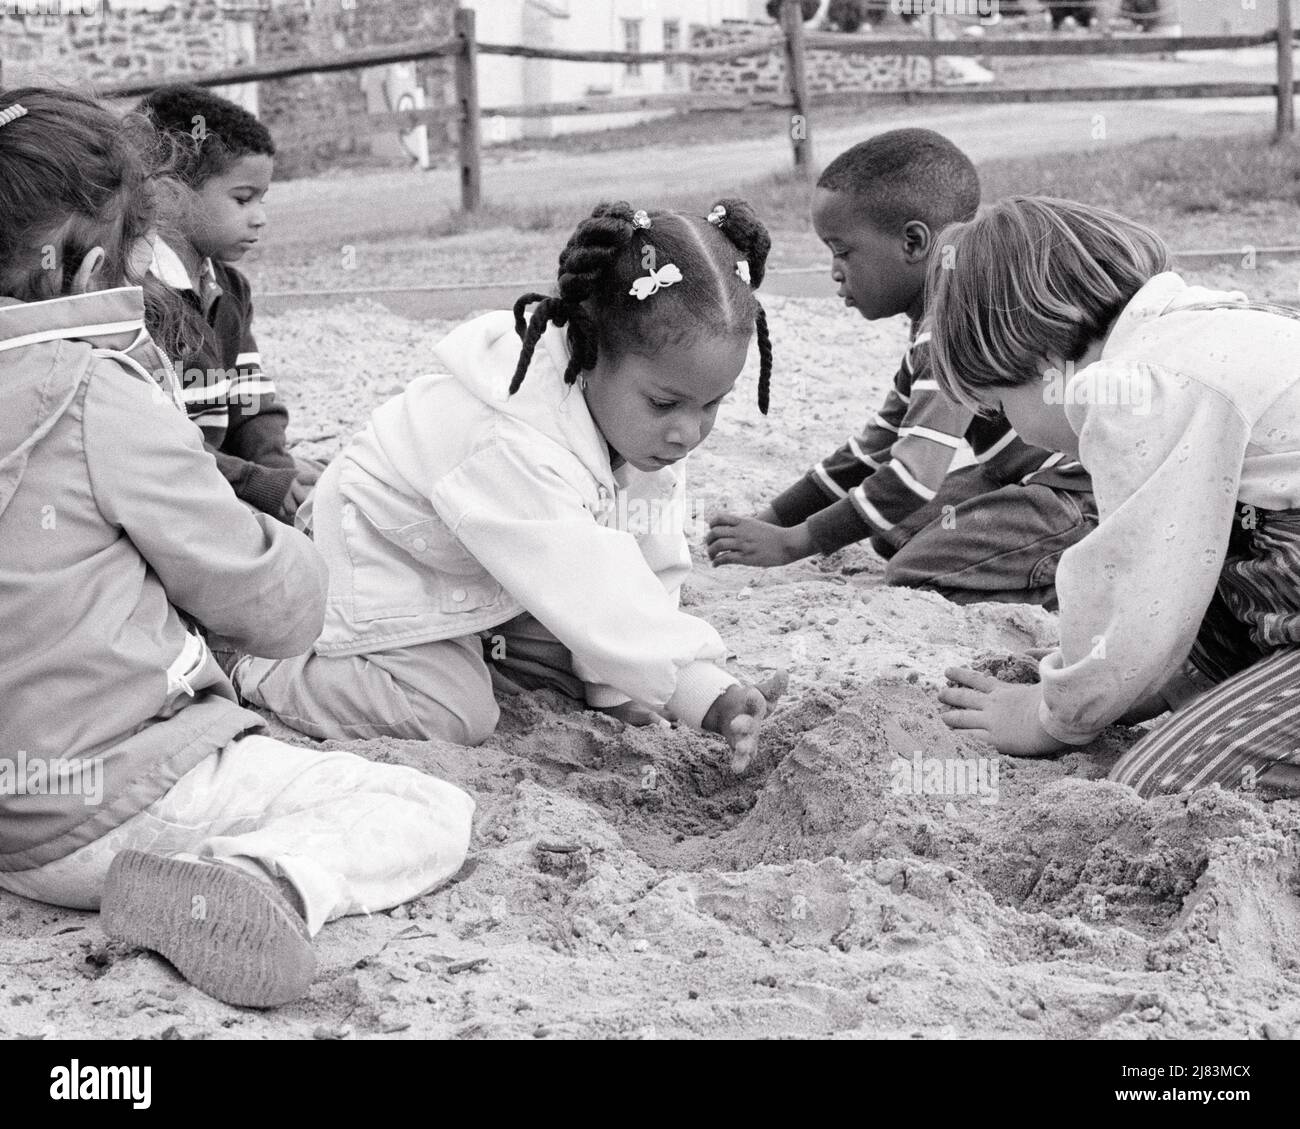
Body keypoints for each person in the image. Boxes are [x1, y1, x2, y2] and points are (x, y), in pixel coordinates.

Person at [0, 88, 473, 1008]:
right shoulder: (96, 393)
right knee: (422, 808)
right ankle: (258, 879)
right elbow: (272, 605)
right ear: (92, 263)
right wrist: (290, 549)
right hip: (113, 804)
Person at [233, 200, 774, 770]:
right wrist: (708, 697)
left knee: (572, 673)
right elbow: (588, 587)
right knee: (455, 713)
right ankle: (261, 664)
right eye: (666, 403)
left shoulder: (643, 421)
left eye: (712, 404)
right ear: (589, 350)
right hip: (378, 557)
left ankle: (488, 649)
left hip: (482, 560)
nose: (689, 431)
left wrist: (621, 694)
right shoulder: (511, 440)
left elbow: (642, 563)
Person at [932, 195, 1300, 798]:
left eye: (998, 407)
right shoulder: (1200, 325)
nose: (1010, 430)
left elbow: (1133, 585)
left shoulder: (1132, 389)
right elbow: (1189, 566)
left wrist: (1054, 718)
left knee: (1158, 782)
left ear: (1045, 360)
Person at [706, 130, 1095, 609]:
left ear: (913, 242)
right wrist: (773, 520)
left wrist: (794, 544)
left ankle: (1079, 573)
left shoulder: (953, 326)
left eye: (842, 251)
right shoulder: (934, 321)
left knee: (914, 568)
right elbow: (874, 449)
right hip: (1023, 480)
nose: (834, 271)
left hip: (1079, 494)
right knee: (895, 532)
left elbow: (914, 476)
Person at [138, 83, 320, 522]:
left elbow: (248, 393)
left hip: (225, 474)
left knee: (331, 483)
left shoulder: (229, 288)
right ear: (169, 192)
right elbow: (152, 441)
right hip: (168, 493)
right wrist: (255, 483)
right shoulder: (138, 297)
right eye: (242, 198)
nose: (259, 217)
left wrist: (276, 466)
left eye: (262, 199)